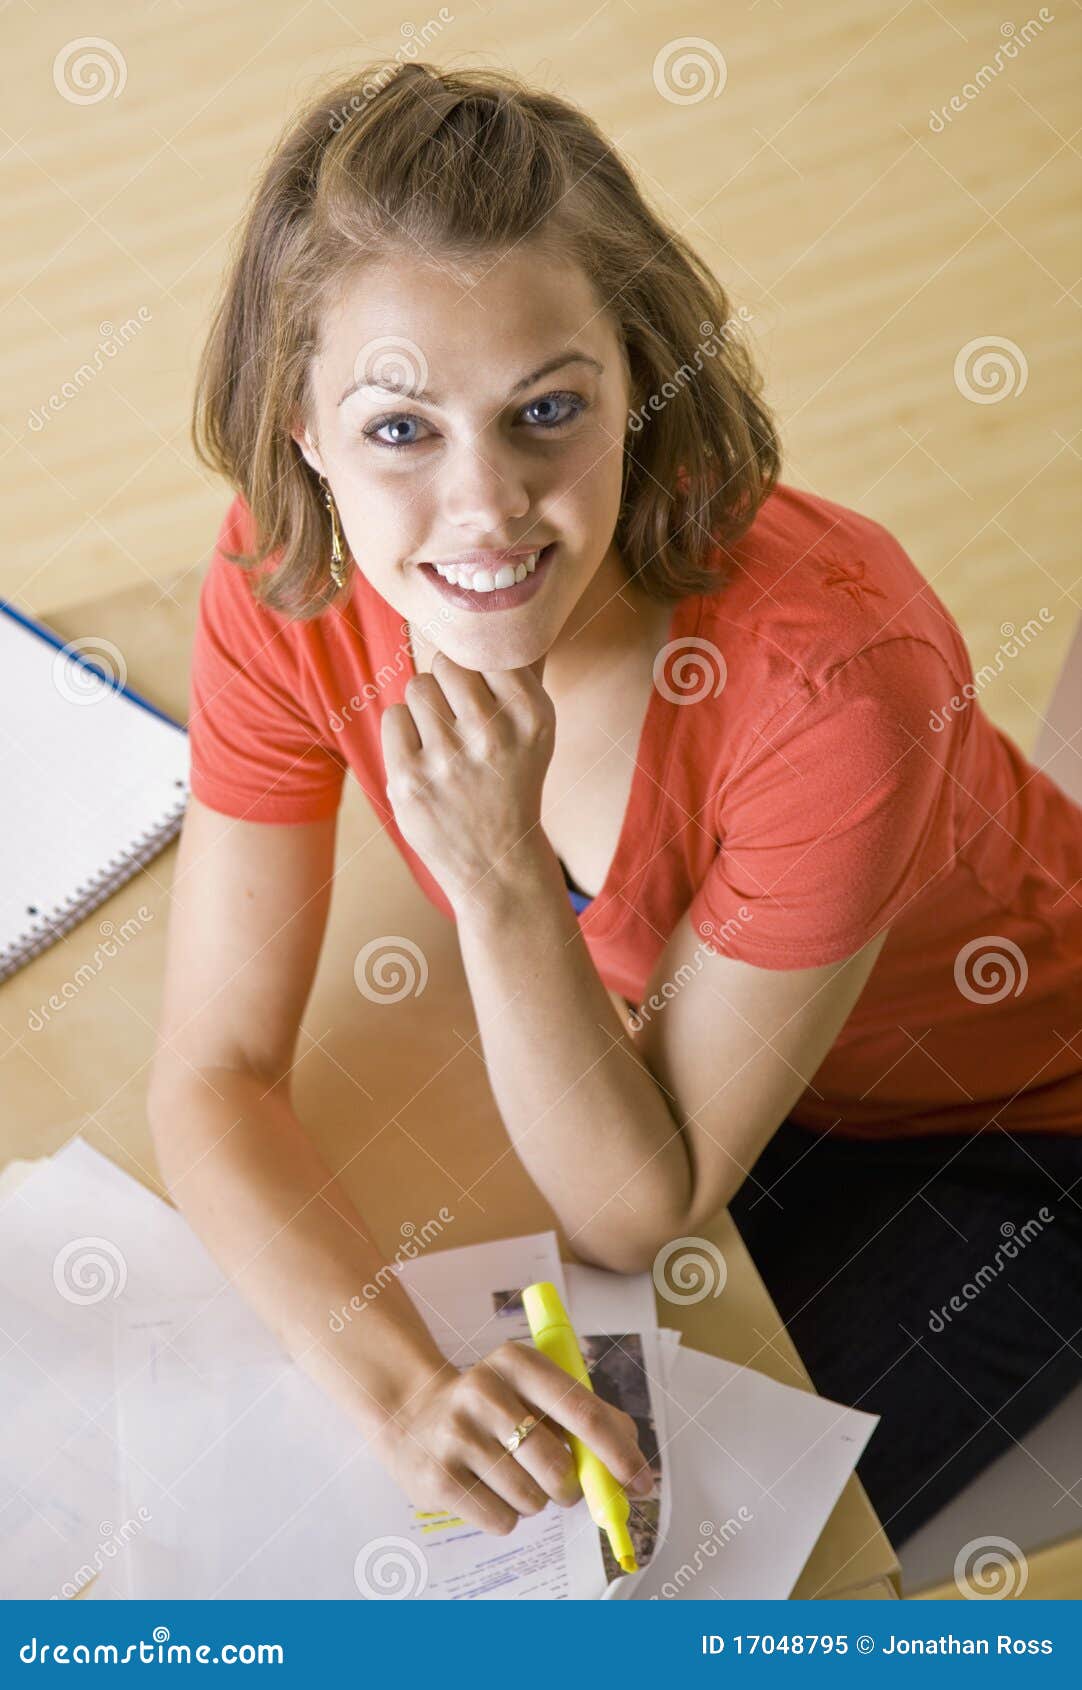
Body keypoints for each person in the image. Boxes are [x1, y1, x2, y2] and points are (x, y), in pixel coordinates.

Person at [148, 59, 1082, 1555]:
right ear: (300, 431)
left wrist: (503, 873)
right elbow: (212, 1076)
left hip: (1002, 1136)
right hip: (674, 1069)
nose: (484, 510)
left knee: (687, 1566)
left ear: (640, 393)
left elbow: (632, 1210)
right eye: (398, 429)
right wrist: (398, 1395)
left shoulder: (837, 682)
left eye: (547, 410)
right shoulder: (287, 574)